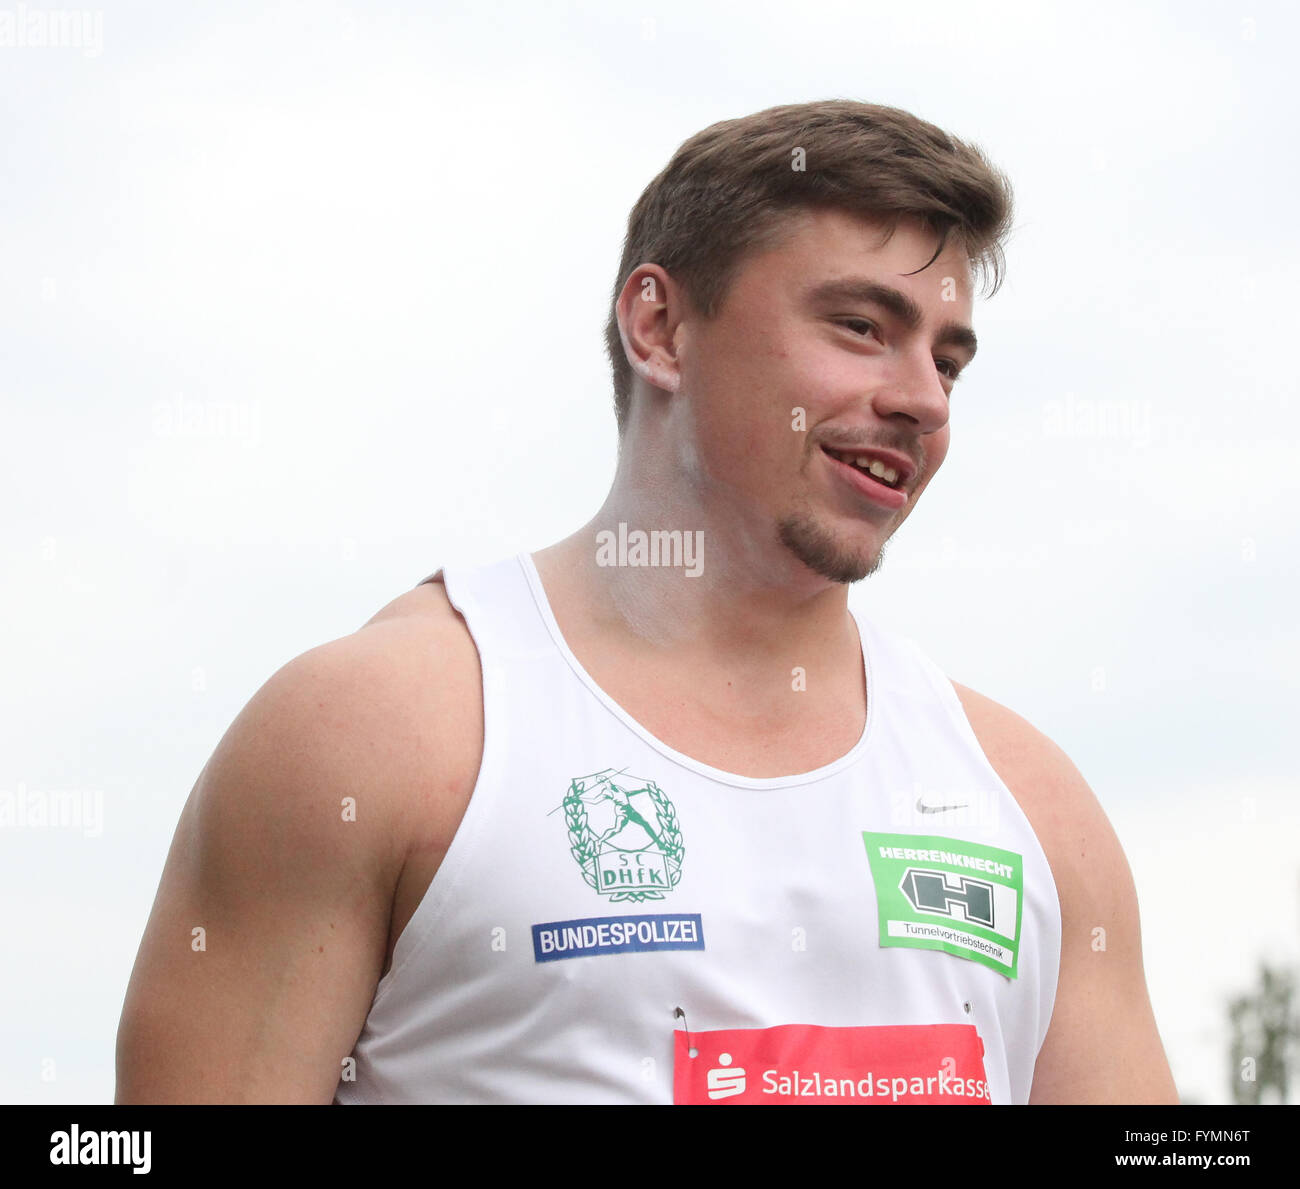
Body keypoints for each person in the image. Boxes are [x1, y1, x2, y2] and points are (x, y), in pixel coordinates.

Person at [115, 100, 1179, 1105]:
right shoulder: (379, 730)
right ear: (659, 327)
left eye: (947, 360)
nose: (921, 400)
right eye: (861, 326)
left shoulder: (1030, 805)